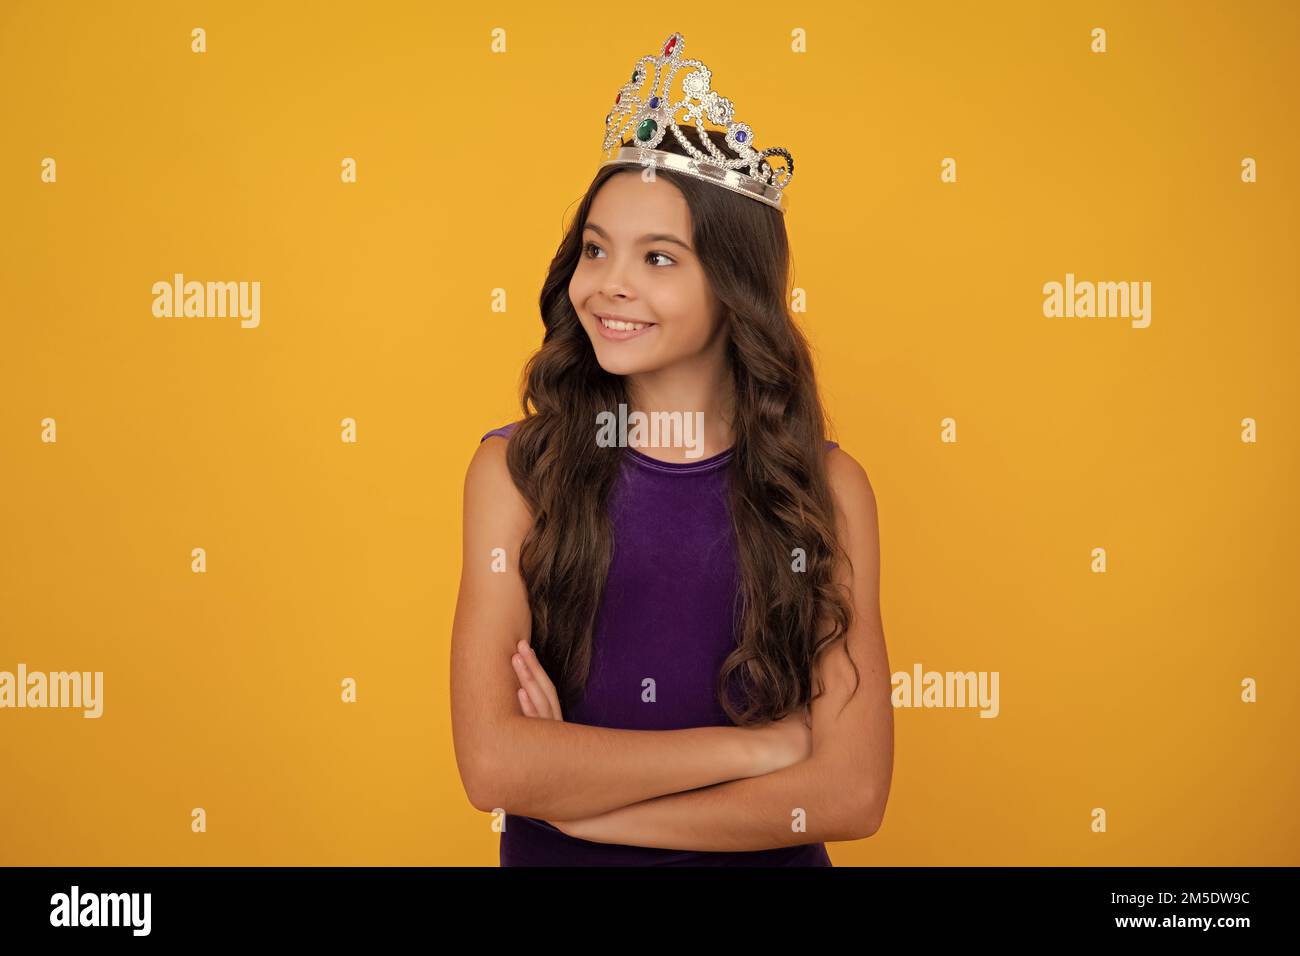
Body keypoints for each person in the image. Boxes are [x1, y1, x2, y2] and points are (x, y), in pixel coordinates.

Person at [450, 32, 893, 866]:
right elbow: (494, 764)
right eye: (595, 247)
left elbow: (850, 793)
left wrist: (585, 809)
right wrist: (755, 750)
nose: (610, 282)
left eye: (659, 258)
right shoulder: (516, 475)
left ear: (735, 290)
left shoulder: (827, 488)